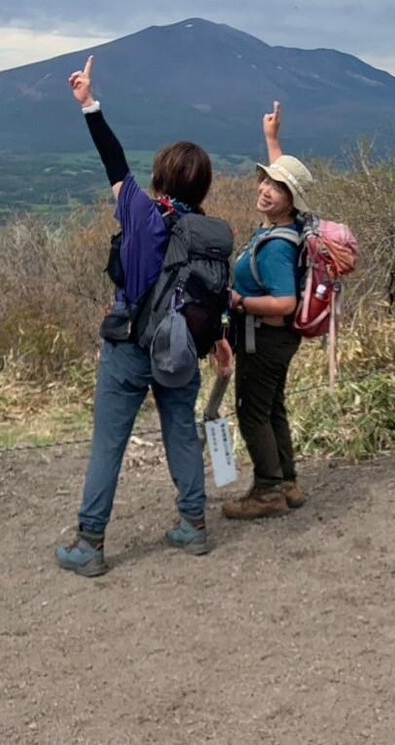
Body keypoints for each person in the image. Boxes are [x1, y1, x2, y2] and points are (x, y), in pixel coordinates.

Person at [56, 55, 214, 576]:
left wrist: (89, 105)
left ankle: (90, 543)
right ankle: (194, 525)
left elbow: (113, 161)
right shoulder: (206, 233)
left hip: (128, 348)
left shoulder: (142, 213)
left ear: (161, 176)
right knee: (181, 431)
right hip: (181, 349)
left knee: (109, 443)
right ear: (202, 188)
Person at [222, 101, 314, 520]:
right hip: (277, 340)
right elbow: (283, 177)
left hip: (265, 337)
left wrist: (239, 301)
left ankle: (267, 492)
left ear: (289, 201)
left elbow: (285, 302)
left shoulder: (278, 246)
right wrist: (272, 139)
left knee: (252, 412)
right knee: (272, 407)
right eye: (265, 181)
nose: (265, 188)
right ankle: (287, 482)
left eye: (275, 188)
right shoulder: (289, 226)